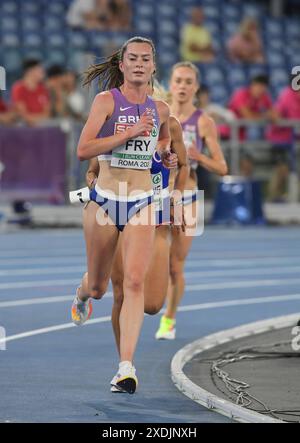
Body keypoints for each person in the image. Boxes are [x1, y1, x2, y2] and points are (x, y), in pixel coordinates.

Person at [70, 36, 177, 394]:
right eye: (132, 58)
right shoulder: (105, 102)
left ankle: (126, 367)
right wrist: (127, 133)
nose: (139, 64)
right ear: (122, 64)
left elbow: (161, 144)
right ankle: (82, 292)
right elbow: (83, 149)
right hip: (103, 202)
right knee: (101, 288)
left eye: (145, 59)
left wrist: (166, 156)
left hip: (142, 202)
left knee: (133, 282)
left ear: (152, 66)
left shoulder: (161, 110)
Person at [83, 82, 188, 392]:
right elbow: (91, 169)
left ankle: (126, 362)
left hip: (154, 214)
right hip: (117, 206)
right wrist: (95, 186)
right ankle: (125, 365)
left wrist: (176, 197)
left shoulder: (168, 122)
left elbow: (180, 163)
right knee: (116, 289)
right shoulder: (112, 116)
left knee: (153, 303)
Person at [155, 62, 228, 340]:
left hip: (188, 196)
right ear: (171, 84)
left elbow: (222, 167)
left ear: (196, 87)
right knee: (152, 256)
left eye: (188, 82)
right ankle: (147, 299)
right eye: (178, 81)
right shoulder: (159, 112)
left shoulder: (203, 122)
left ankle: (169, 319)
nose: (183, 86)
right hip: (160, 193)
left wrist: (198, 157)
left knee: (176, 265)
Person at [267, 83, 300, 201]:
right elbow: (275, 114)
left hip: (295, 143)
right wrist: (276, 116)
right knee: (282, 171)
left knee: (291, 173)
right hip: (280, 141)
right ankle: (274, 199)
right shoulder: (287, 95)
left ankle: (291, 199)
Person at [11, 59, 50, 126]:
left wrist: (38, 121)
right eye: (39, 70)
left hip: (42, 124)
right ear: (30, 71)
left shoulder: (43, 89)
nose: (43, 72)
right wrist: (39, 120)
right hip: (25, 125)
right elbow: (23, 115)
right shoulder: (19, 88)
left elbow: (47, 113)